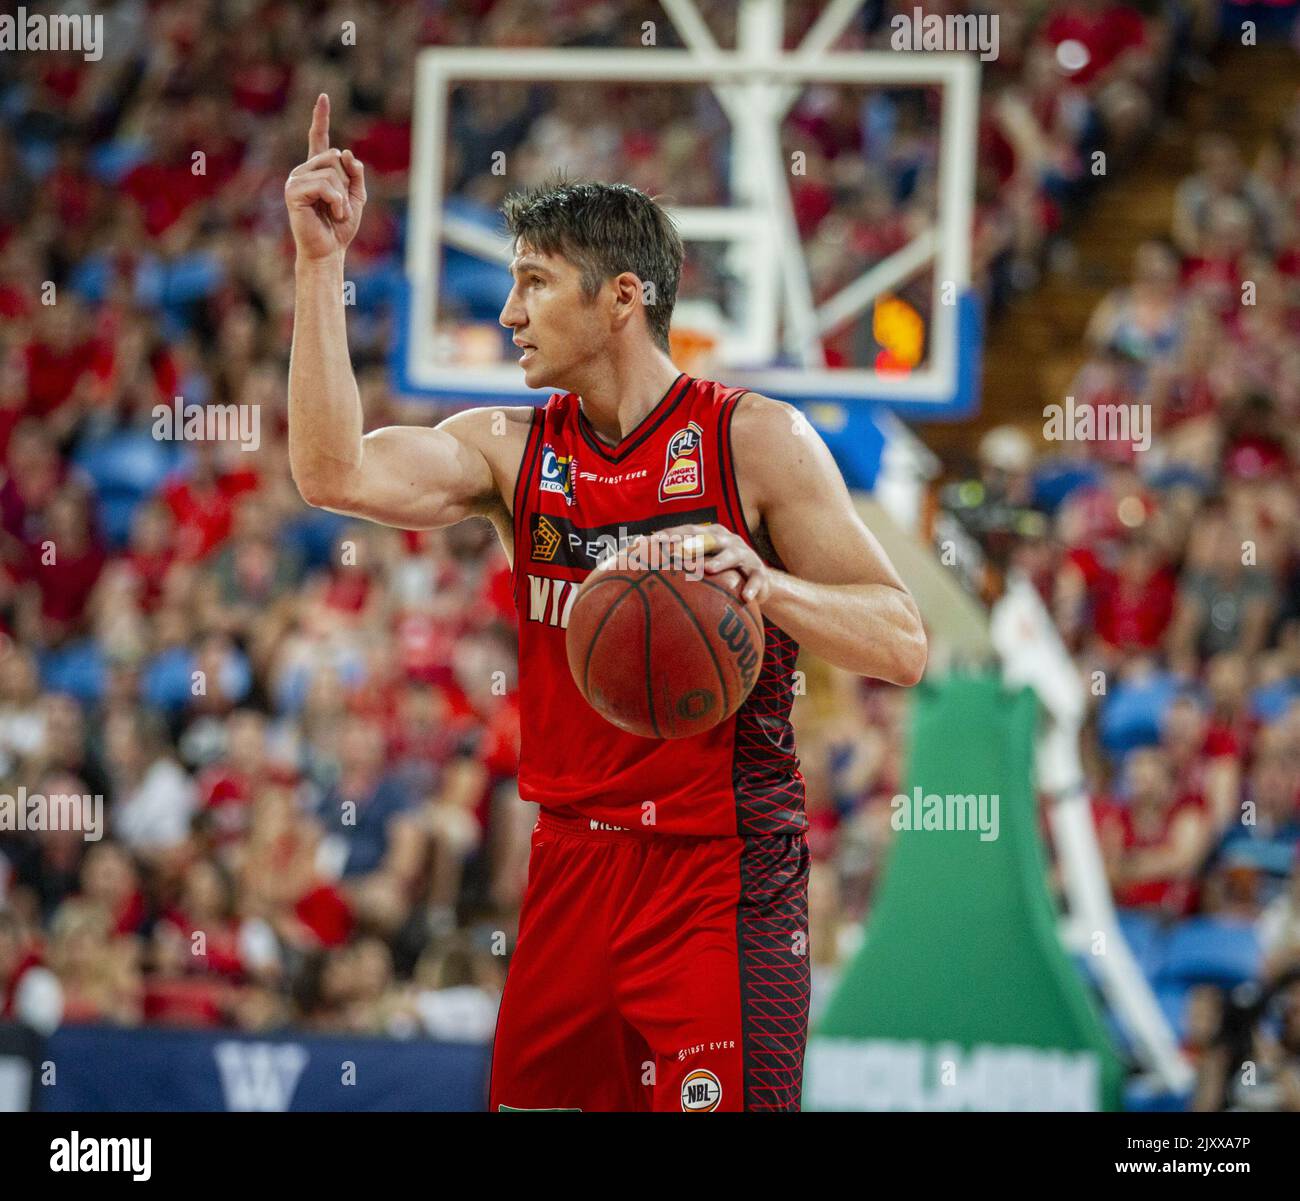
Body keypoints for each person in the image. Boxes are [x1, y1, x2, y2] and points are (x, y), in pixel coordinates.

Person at [284, 94, 926, 1112]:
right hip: (570, 866)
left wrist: (768, 584)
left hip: (720, 873)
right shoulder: (509, 447)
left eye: (533, 284)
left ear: (621, 297)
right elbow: (329, 474)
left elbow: (902, 643)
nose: (508, 314)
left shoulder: (753, 440)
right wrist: (321, 272)